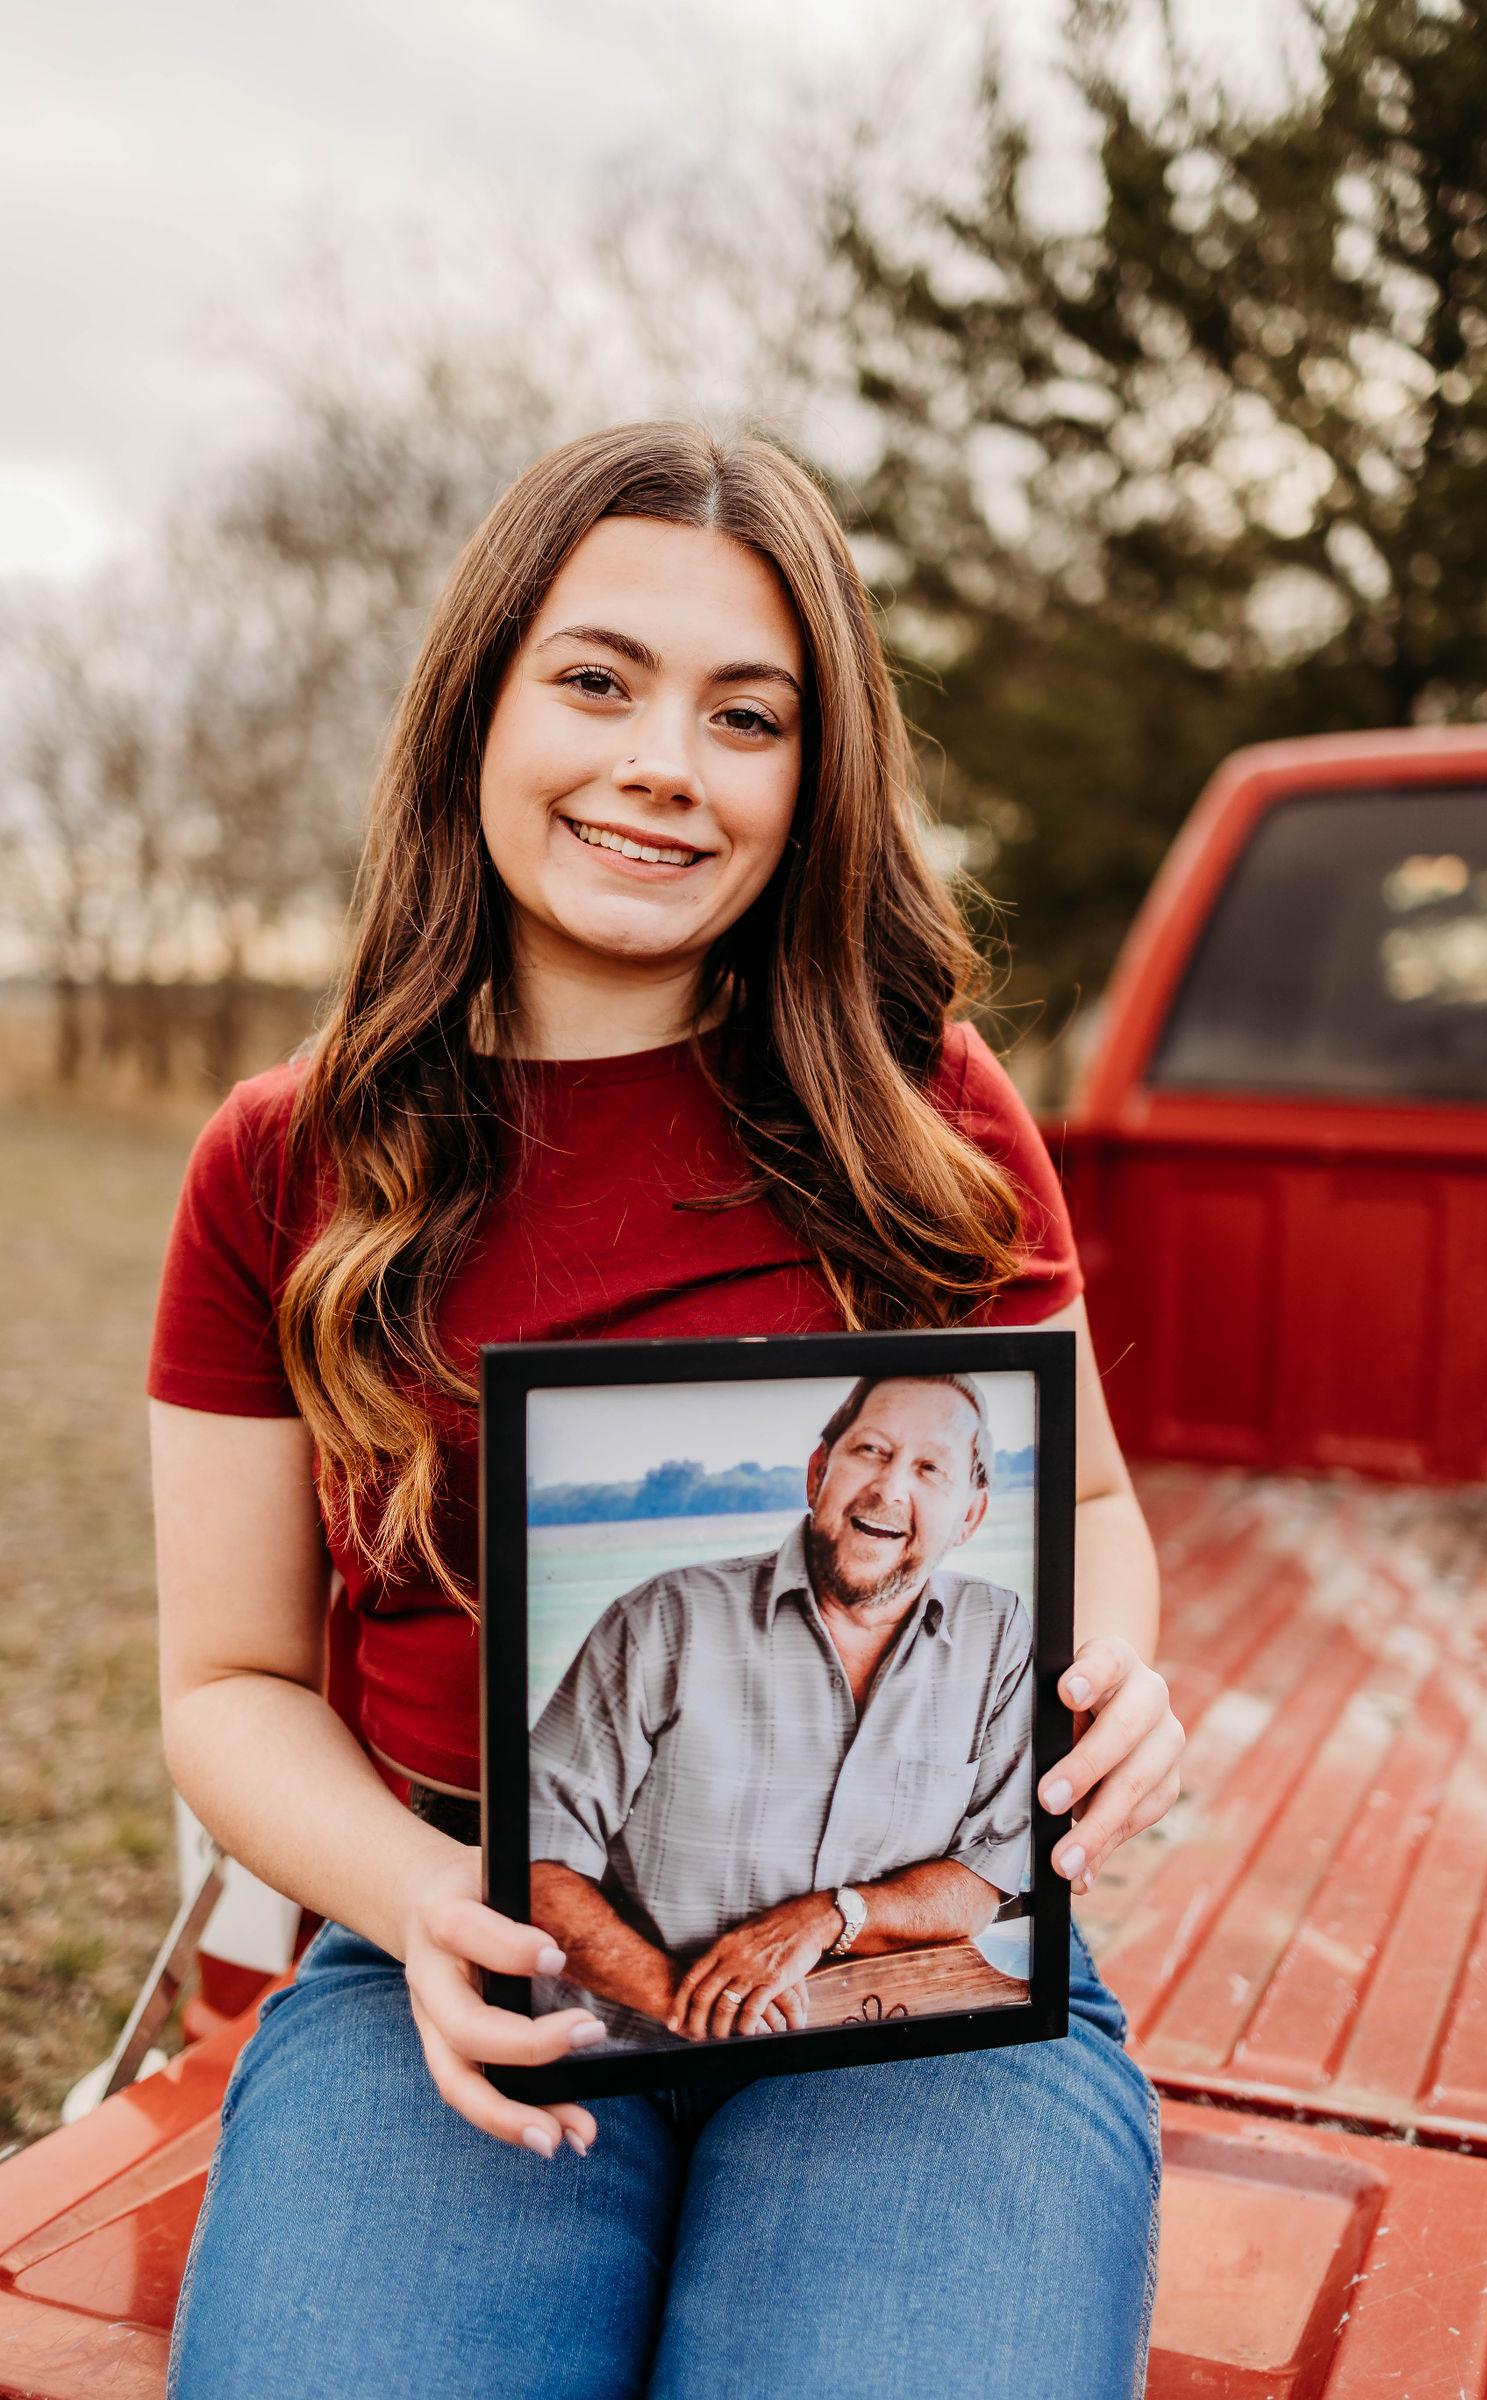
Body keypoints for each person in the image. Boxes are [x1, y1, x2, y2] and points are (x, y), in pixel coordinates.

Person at [150, 423, 1184, 2400]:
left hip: (922, 1976)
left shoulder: (927, 1114)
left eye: (745, 713)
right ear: (479, 709)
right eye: (598, 681)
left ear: (811, 781)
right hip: (458, 1931)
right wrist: (426, 1910)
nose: (660, 762)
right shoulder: (286, 1161)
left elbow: (1096, 1514)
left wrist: (1110, 1671)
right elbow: (228, 1682)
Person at [527, 1373, 1033, 2046]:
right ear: (818, 1473)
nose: (889, 1489)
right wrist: (692, 2004)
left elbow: (982, 1874)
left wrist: (830, 1916)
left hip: (872, 2042)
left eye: (930, 1468)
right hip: (629, 2043)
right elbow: (536, 1862)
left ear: (969, 1515)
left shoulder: (1000, 1634)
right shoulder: (662, 1621)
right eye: (872, 1452)